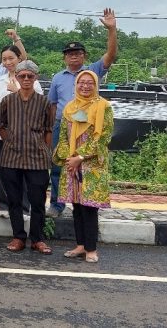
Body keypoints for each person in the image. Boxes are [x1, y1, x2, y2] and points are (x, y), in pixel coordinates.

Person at [46, 8, 118, 218]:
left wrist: (111, 30)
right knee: (59, 166)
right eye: (70, 54)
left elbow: (111, 55)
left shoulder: (91, 72)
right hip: (63, 126)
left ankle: (88, 202)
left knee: (88, 165)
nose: (74, 57)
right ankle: (57, 204)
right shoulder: (58, 77)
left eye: (77, 54)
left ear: (83, 56)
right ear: (64, 58)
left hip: (89, 127)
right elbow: (52, 105)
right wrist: (51, 130)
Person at [0, 60, 55, 255]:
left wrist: (44, 149)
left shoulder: (44, 102)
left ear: (35, 77)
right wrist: (11, 141)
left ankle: (37, 239)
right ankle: (18, 236)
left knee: (37, 200)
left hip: (37, 157)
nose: (27, 79)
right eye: (23, 76)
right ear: (17, 78)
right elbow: (1, 125)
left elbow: (48, 129)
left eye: (30, 76)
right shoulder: (8, 101)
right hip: (12, 156)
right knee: (14, 199)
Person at [55, 70, 114, 263]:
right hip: (72, 164)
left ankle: (91, 249)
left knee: (90, 208)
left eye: (90, 83)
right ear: (76, 85)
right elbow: (63, 135)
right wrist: (69, 157)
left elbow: (103, 137)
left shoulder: (103, 107)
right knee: (77, 206)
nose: (85, 86)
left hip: (92, 164)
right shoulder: (70, 108)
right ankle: (80, 245)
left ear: (96, 85)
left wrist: (80, 156)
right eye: (82, 82)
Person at [0, 44, 43, 219]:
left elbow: (39, 104)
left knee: (24, 172)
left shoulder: (30, 80)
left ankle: (25, 208)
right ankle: (3, 206)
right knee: (3, 171)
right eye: (4, 59)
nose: (7, 62)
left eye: (11, 58)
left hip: (25, 135)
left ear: (20, 59)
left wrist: (17, 91)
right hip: (2, 133)